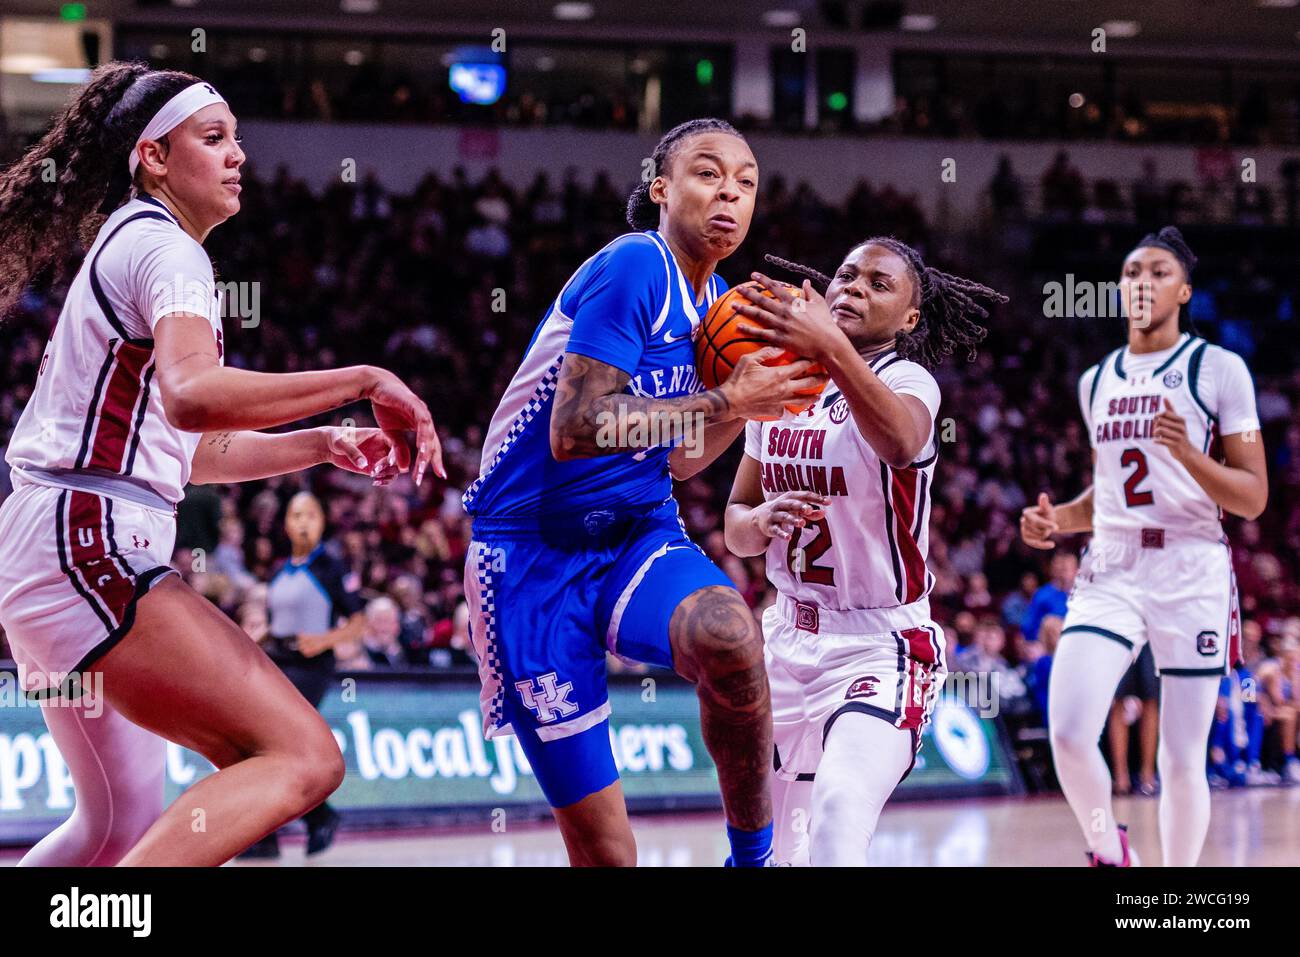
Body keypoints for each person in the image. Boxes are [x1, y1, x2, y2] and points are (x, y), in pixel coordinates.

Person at [0, 62, 441, 866]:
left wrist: (323, 441)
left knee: (114, 827)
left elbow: (192, 450)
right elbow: (195, 396)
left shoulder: (133, 243)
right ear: (153, 157)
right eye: (213, 137)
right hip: (85, 543)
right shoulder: (165, 250)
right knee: (303, 756)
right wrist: (364, 379)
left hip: (54, 543)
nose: (239, 153)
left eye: (237, 137)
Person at [462, 118, 822, 866]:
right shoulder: (635, 264)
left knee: (730, 635)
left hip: (636, 529)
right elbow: (575, 427)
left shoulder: (720, 304)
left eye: (747, 182)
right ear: (661, 188)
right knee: (607, 854)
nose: (730, 192)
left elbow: (685, 462)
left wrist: (754, 402)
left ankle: (752, 859)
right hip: (531, 554)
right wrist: (727, 399)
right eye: (708, 173)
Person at [723, 237, 1006, 865]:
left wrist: (830, 347)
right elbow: (736, 527)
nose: (854, 287)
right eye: (847, 276)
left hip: (878, 645)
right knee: (770, 850)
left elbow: (900, 443)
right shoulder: (781, 383)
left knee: (840, 813)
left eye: (879, 284)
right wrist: (760, 519)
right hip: (784, 641)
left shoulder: (907, 381)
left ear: (909, 318)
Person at [1021, 226, 1268, 867]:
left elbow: (1252, 496)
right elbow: (1108, 492)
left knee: (1181, 757)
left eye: (1159, 272)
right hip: (1113, 561)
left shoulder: (1218, 369)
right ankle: (1111, 854)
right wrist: (1057, 520)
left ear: (1184, 291)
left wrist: (1189, 453)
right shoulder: (1095, 379)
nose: (1142, 282)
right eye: (1132, 272)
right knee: (1069, 730)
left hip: (1191, 561)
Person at [240, 491, 365, 859]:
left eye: (310, 514)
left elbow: (358, 622)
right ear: (286, 524)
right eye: (296, 515)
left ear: (322, 521)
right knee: (265, 743)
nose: (303, 522)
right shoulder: (279, 570)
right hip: (277, 659)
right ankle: (293, 825)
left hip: (311, 666)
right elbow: (277, 620)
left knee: (277, 739)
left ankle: (312, 817)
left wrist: (325, 639)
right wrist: (253, 639)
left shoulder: (332, 567)